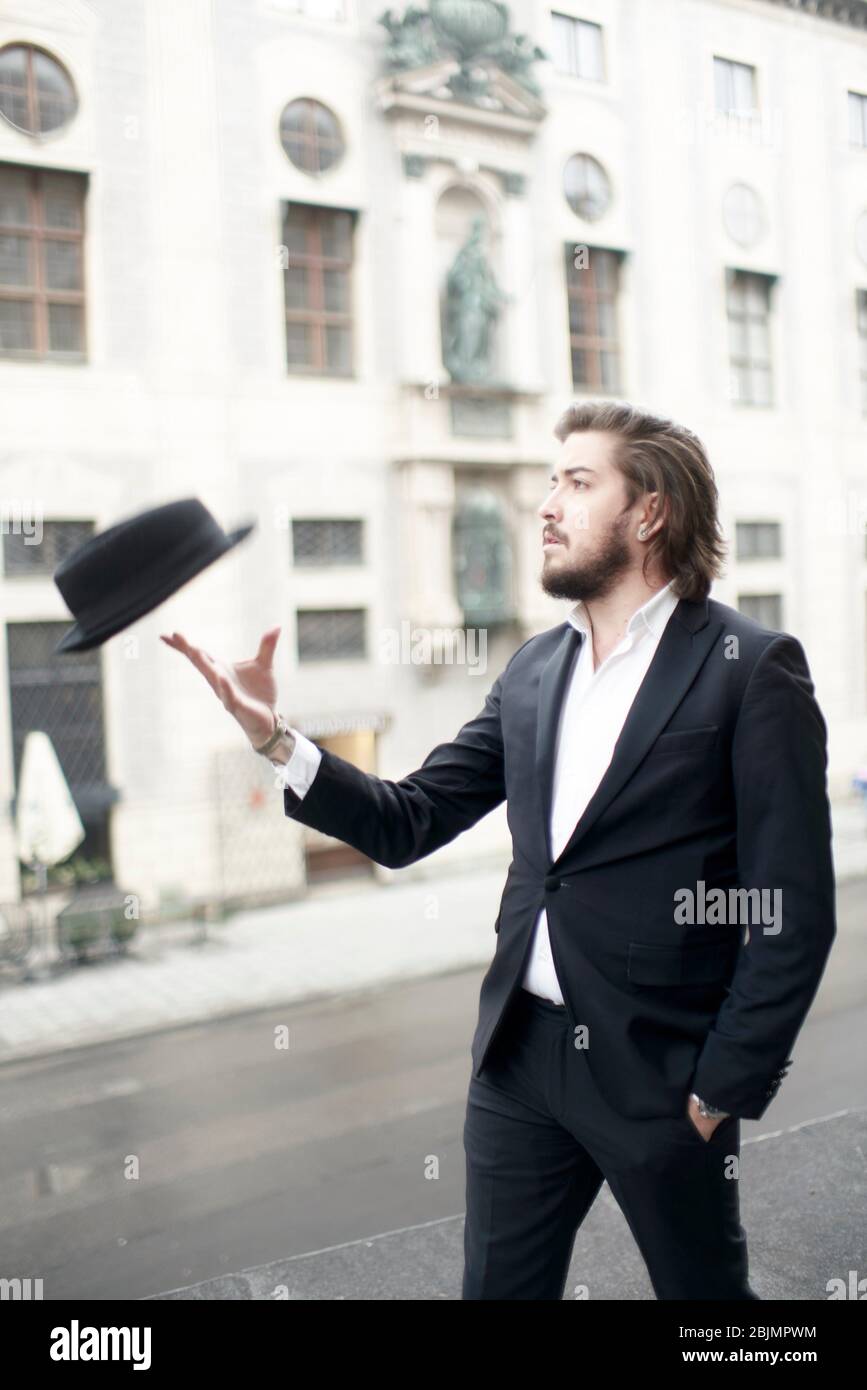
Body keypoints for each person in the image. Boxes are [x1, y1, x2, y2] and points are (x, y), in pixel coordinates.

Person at [162, 399, 836, 1300]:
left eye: (577, 482)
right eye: (549, 482)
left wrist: (720, 1087)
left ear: (650, 513)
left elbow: (789, 908)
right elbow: (410, 821)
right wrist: (278, 740)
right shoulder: (532, 669)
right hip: (518, 1065)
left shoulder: (749, 668)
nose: (546, 505)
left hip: (661, 1076)